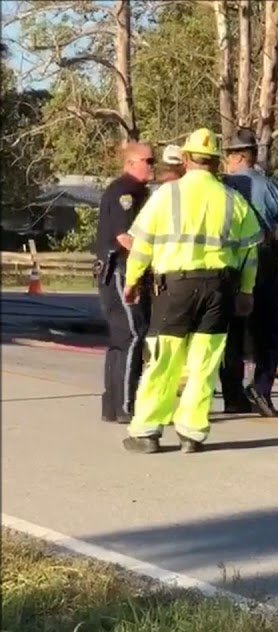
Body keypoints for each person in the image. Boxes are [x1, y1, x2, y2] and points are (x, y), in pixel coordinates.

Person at [119, 128, 262, 454]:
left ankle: (147, 431)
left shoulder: (167, 196)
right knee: (205, 361)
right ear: (215, 163)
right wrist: (246, 292)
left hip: (176, 288)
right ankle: (192, 433)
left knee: (162, 359)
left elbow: (142, 246)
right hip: (219, 289)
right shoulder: (233, 199)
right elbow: (249, 254)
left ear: (185, 159)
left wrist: (131, 280)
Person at [218, 127, 278, 418]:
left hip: (231, 264)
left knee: (232, 334)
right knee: (267, 332)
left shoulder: (224, 186)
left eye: (229, 156)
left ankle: (232, 395)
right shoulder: (272, 187)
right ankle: (261, 388)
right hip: (265, 264)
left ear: (238, 157)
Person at [94, 142, 155, 424]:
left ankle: (113, 404)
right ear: (131, 163)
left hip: (116, 270)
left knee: (120, 338)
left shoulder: (136, 190)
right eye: (148, 160)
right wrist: (153, 259)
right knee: (131, 336)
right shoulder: (125, 191)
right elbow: (124, 237)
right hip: (120, 270)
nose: (152, 165)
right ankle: (127, 405)